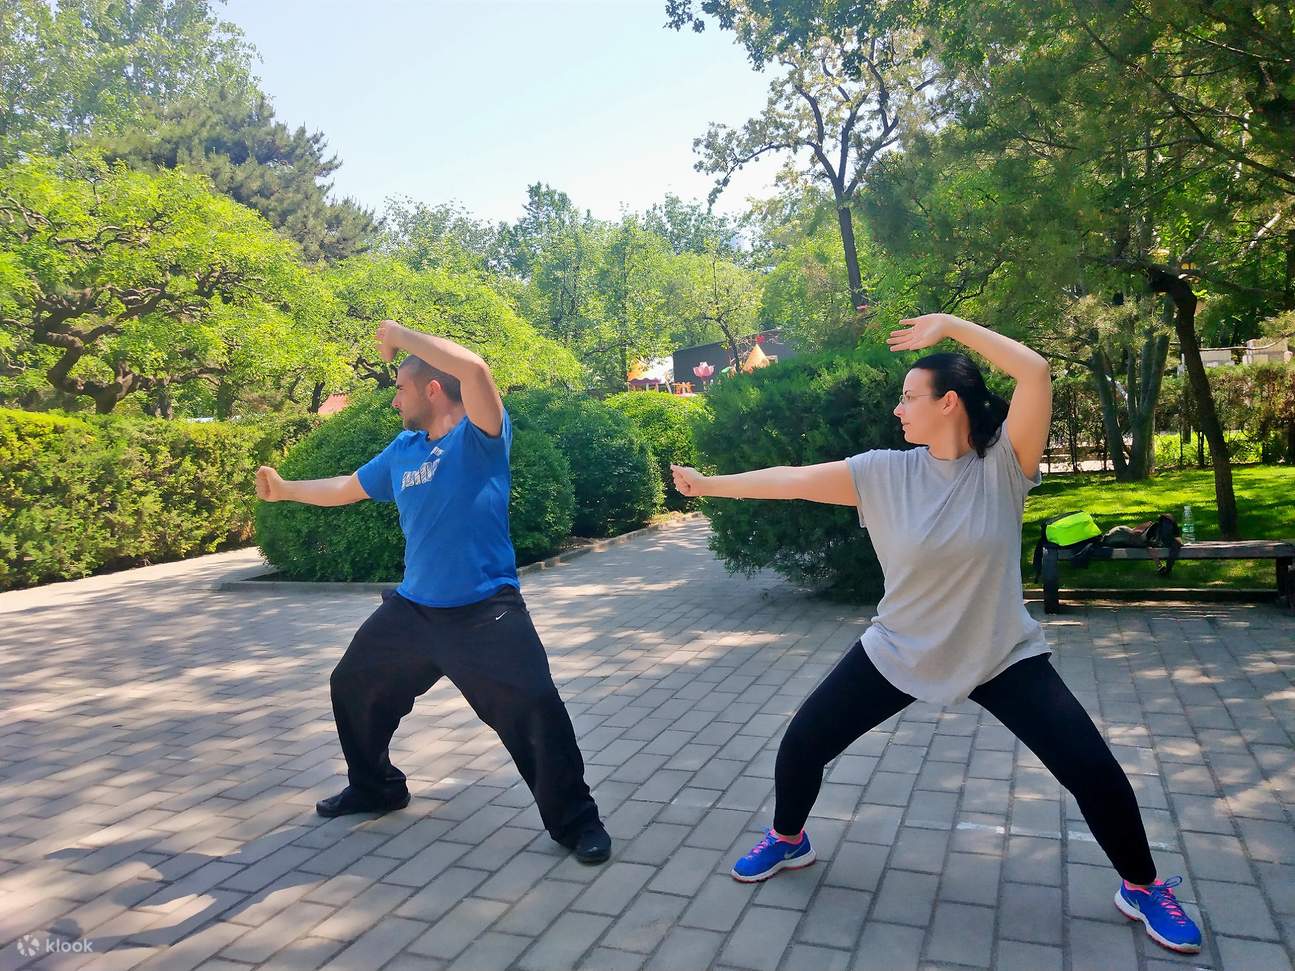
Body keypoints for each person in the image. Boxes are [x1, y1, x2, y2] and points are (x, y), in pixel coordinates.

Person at [670, 313, 1203, 953]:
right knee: (803, 742)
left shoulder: (1005, 464)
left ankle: (1141, 887)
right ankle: (789, 839)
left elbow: (1034, 371)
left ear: (948, 403)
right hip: (898, 648)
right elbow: (794, 480)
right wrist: (710, 487)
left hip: (999, 654)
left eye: (908, 397)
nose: (898, 410)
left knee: (1092, 769)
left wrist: (951, 327)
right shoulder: (884, 474)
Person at [256, 320, 611, 865]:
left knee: (536, 707)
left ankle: (576, 822)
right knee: (353, 684)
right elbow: (347, 488)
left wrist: (400, 335)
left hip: (486, 611)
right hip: (414, 611)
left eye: (399, 388)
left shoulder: (481, 438)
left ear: (431, 389)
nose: (393, 400)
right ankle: (376, 787)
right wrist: (284, 491)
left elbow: (476, 370)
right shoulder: (403, 451)